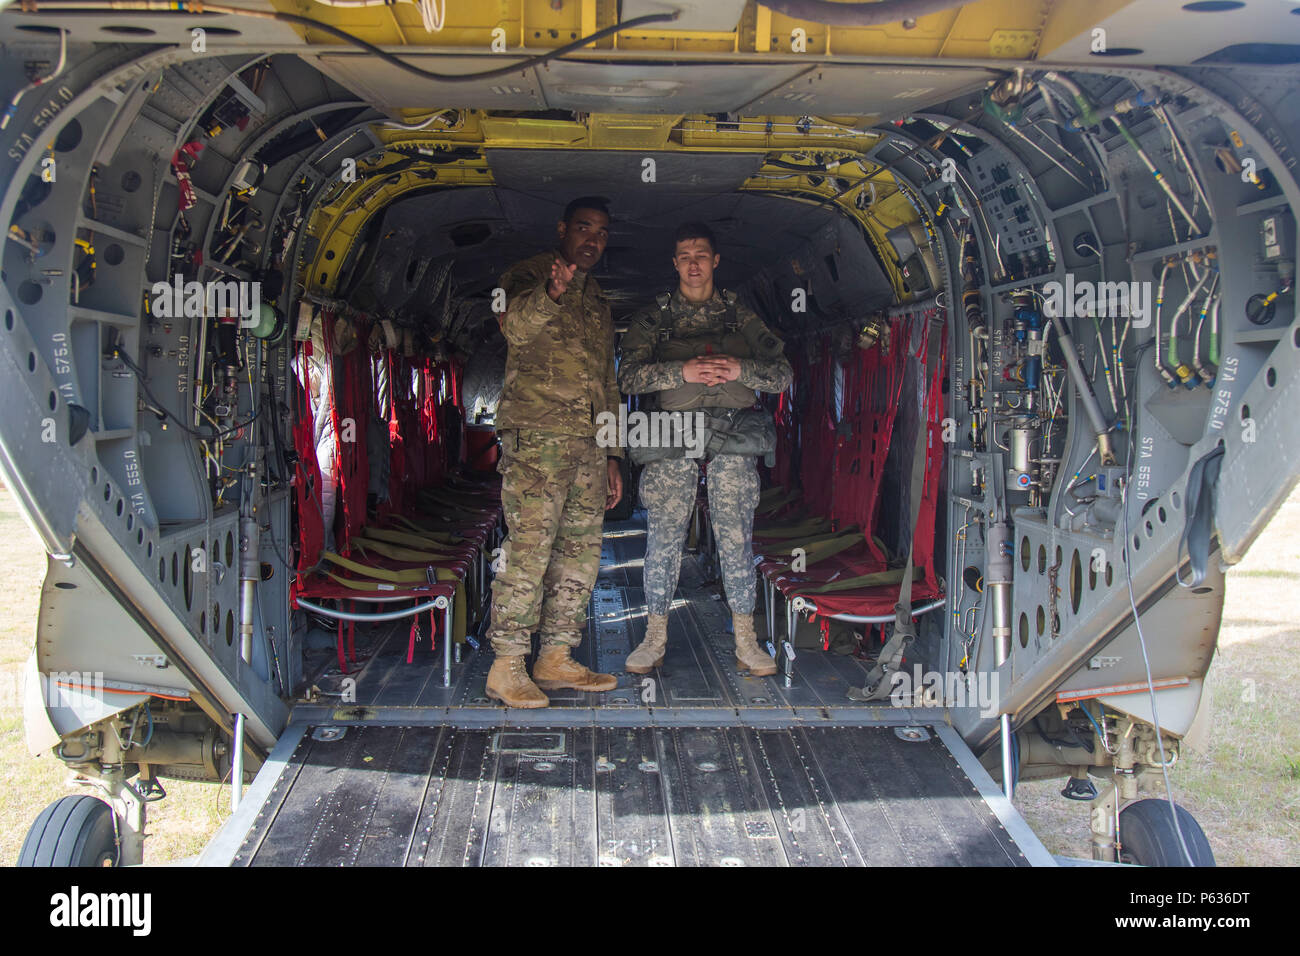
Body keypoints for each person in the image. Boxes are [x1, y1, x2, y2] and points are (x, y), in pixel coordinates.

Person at [618, 221, 792, 676]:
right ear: (675, 263)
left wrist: (740, 368)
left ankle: (746, 641)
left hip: (733, 432)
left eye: (701, 255)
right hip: (673, 432)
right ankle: (653, 637)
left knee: (736, 536)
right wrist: (682, 372)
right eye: (684, 256)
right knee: (664, 536)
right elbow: (627, 377)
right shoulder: (653, 318)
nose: (693, 264)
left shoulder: (743, 315)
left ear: (715, 261)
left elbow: (781, 375)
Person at [484, 197, 624, 708]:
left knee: (579, 555)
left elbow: (607, 380)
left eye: (602, 233)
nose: (593, 240)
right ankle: (506, 666)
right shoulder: (520, 277)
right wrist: (550, 291)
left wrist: (613, 454)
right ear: (562, 228)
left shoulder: (598, 300)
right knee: (528, 552)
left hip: (588, 447)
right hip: (537, 441)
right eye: (584, 228)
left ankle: (556, 657)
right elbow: (515, 328)